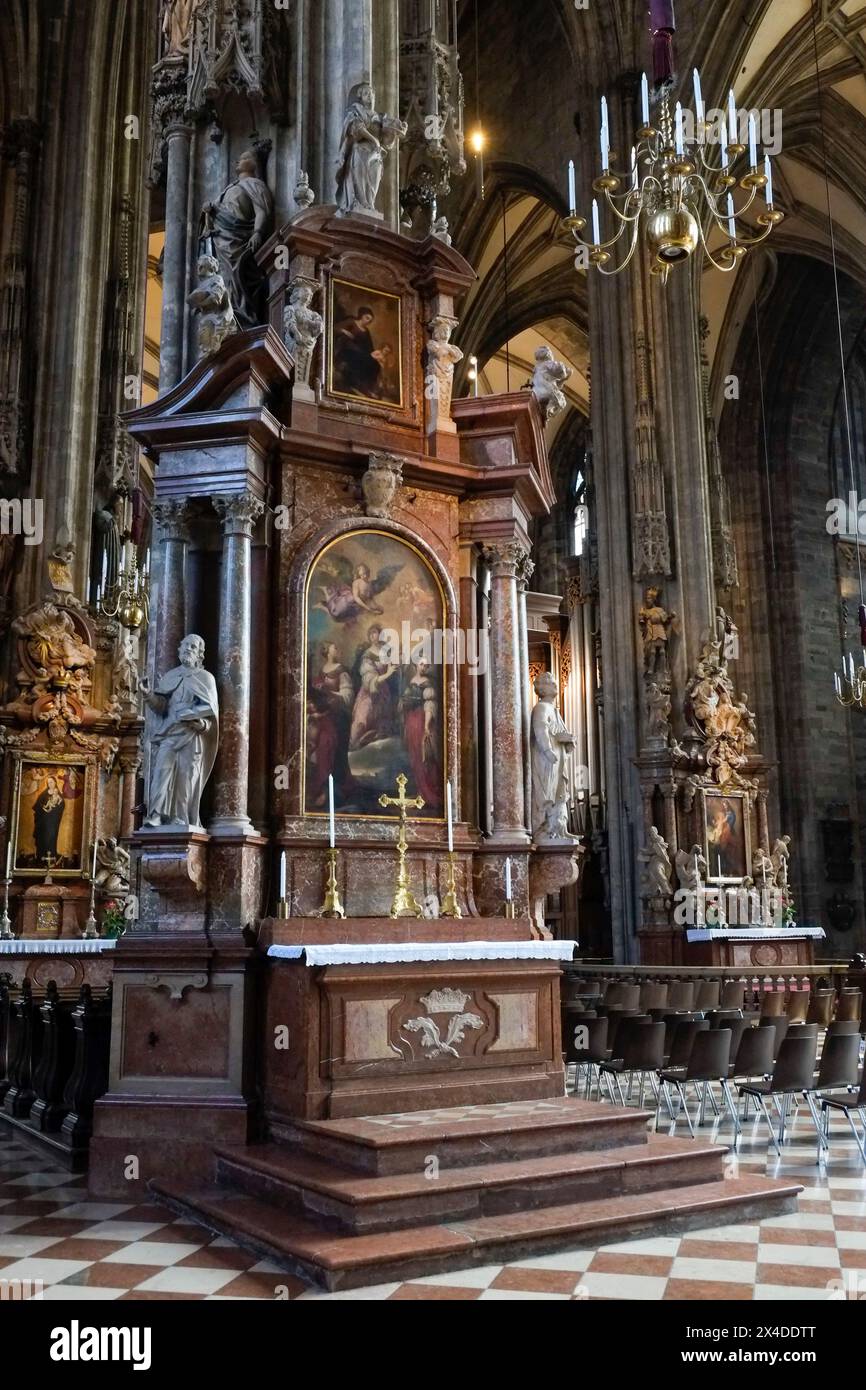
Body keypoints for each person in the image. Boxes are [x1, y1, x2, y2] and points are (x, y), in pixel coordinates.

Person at [142, 634, 219, 829]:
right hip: (169, 732)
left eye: (193, 647)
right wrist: (148, 695)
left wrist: (189, 714)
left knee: (186, 781)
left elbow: (211, 708)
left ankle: (182, 819)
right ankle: (157, 815)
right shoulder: (171, 676)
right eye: (185, 646)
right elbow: (161, 707)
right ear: (178, 650)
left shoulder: (205, 678)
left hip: (191, 735)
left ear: (200, 653)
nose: (188, 650)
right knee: (161, 774)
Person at [201, 150, 274, 329]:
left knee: (239, 277)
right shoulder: (230, 187)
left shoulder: (255, 184)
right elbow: (215, 216)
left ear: (253, 163)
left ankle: (243, 316)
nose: (238, 162)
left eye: (243, 158)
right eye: (239, 159)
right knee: (224, 279)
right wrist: (209, 210)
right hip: (221, 240)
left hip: (239, 240)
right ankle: (228, 314)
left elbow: (261, 211)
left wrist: (257, 232)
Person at [307, 642, 355, 806]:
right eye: (335, 647)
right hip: (322, 718)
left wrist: (329, 693)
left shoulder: (342, 671)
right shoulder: (321, 672)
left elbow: (348, 696)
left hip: (338, 719)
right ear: (327, 651)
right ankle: (322, 787)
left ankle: (333, 789)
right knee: (319, 749)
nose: (338, 650)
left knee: (332, 749)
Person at [399, 660, 442, 808]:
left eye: (426, 665)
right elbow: (405, 701)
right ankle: (420, 790)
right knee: (414, 755)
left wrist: (426, 725)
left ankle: (428, 792)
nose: (423, 667)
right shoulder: (411, 681)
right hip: (412, 721)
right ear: (416, 665)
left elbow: (429, 706)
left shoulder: (428, 684)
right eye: (421, 664)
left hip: (422, 720)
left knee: (424, 756)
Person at [350, 631, 397, 749]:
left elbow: (394, 667)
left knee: (382, 724)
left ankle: (374, 738)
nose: (372, 635)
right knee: (362, 720)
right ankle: (356, 745)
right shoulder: (366, 655)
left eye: (375, 632)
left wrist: (395, 666)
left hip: (384, 691)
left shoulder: (386, 651)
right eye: (370, 633)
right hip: (369, 691)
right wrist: (388, 674)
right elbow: (369, 679)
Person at [333, 306, 380, 397]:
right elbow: (335, 328)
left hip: (361, 353)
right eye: (367, 318)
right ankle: (355, 384)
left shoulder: (366, 331)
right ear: (361, 316)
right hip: (347, 350)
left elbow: (369, 347)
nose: (368, 321)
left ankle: (367, 387)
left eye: (370, 320)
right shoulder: (351, 322)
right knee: (359, 361)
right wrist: (344, 332)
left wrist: (373, 353)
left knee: (375, 364)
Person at [33, 775, 64, 864]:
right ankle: (41, 858)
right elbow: (38, 806)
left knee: (52, 837)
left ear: (55, 783)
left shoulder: (58, 795)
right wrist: (43, 810)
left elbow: (61, 806)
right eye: (48, 782)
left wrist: (54, 810)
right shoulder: (43, 794)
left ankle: (52, 857)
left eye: (51, 782)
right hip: (43, 823)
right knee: (43, 838)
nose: (49, 784)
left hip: (53, 822)